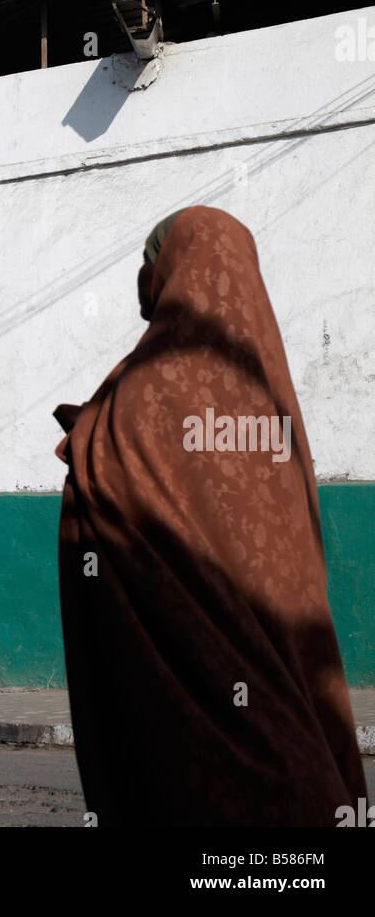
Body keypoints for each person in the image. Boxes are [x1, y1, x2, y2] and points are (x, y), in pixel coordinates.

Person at [54, 205, 367, 827]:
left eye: (148, 264)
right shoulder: (271, 403)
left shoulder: (135, 401)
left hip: (193, 744)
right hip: (296, 710)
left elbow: (103, 486)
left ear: (166, 273)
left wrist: (86, 433)